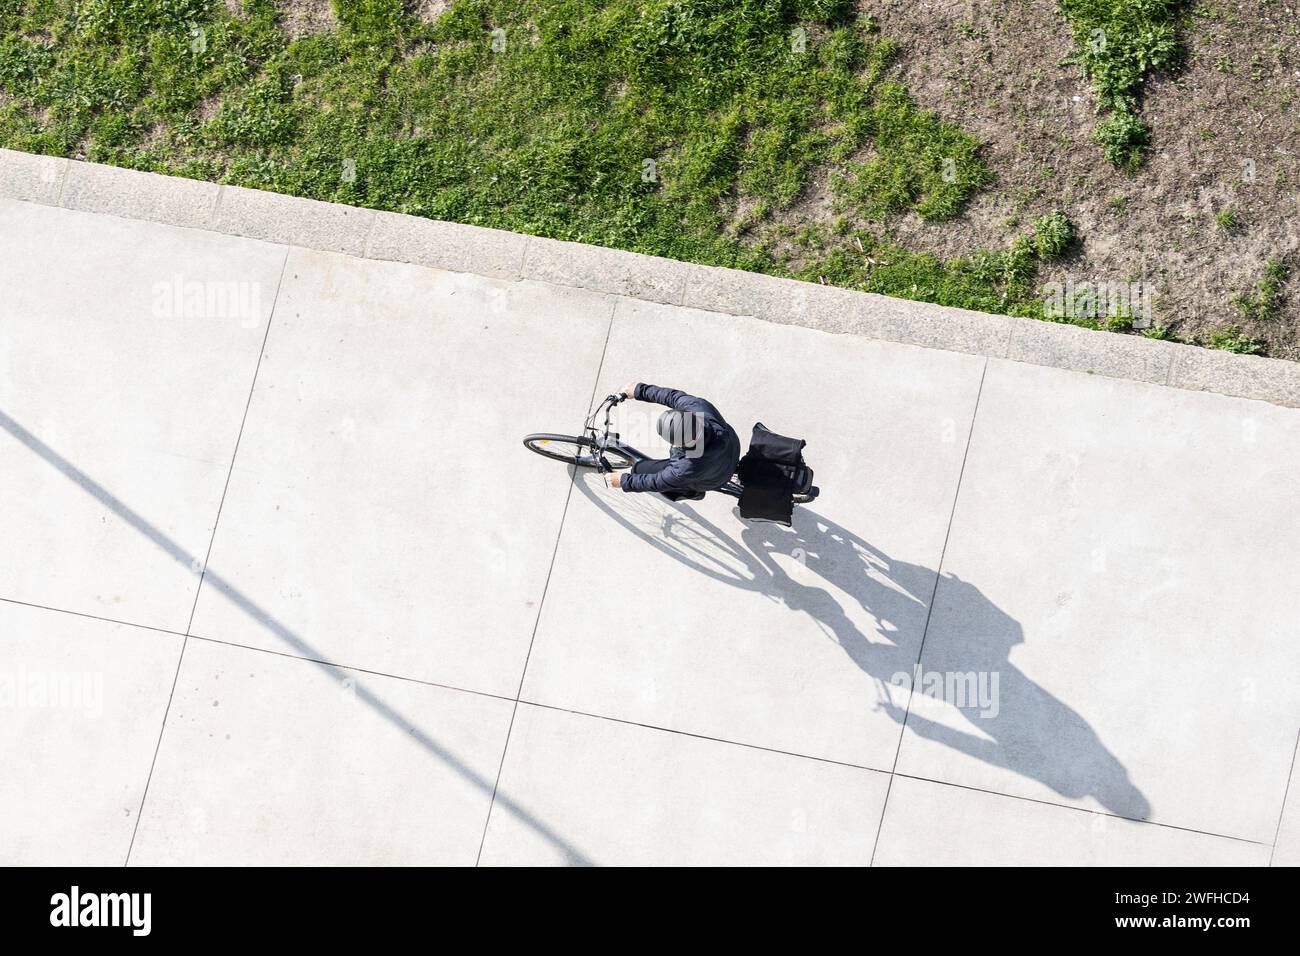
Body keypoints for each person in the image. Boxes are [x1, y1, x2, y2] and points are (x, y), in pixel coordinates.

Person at [606, 382, 742, 501]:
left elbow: (656, 482)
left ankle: (692, 493)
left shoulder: (685, 467)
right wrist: (639, 390)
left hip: (716, 480)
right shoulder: (699, 407)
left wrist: (624, 481)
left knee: (639, 469)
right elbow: (673, 397)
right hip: (732, 449)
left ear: (678, 444)